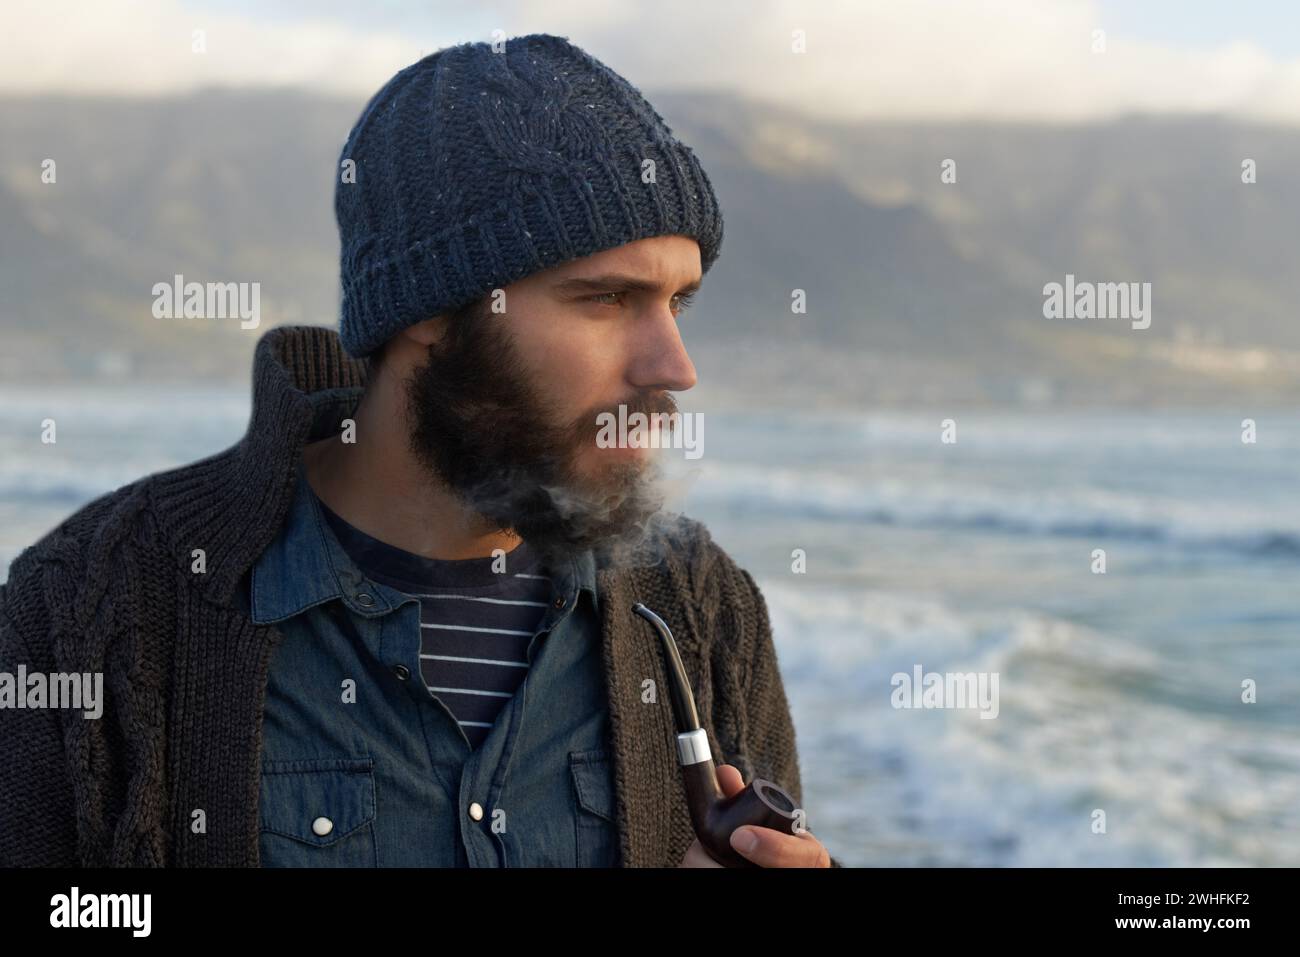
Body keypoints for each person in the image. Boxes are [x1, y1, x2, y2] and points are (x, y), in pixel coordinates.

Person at [0, 32, 838, 868]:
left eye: (678, 303)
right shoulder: (91, 609)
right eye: (609, 298)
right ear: (429, 310)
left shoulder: (702, 607)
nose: (674, 368)